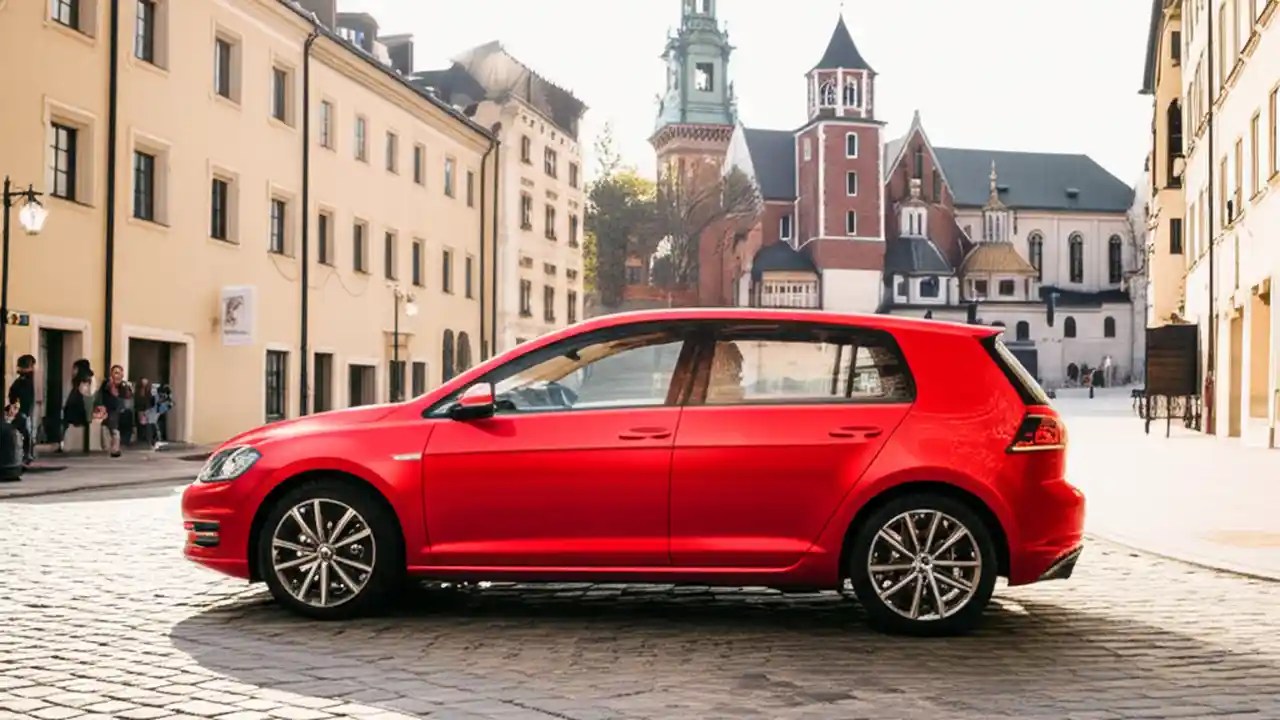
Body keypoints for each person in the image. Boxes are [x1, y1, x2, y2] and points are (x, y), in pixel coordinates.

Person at [7, 354, 37, 465]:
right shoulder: (25, 381)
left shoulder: (21, 381)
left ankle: (27, 454)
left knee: (26, 432)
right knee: (26, 432)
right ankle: (27, 454)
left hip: (23, 410)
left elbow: (12, 395)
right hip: (24, 411)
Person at [58, 359, 93, 453]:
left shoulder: (84, 381)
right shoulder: (79, 381)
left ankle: (66, 445)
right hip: (75, 408)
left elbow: (84, 395)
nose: (73, 371)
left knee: (71, 427)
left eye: (75, 368)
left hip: (77, 408)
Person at [94, 365, 125, 458]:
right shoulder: (107, 383)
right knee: (107, 428)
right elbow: (101, 394)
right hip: (106, 409)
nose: (117, 375)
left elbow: (125, 396)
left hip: (116, 410)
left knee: (114, 429)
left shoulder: (123, 385)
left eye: (119, 373)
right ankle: (109, 449)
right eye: (115, 372)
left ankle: (115, 449)